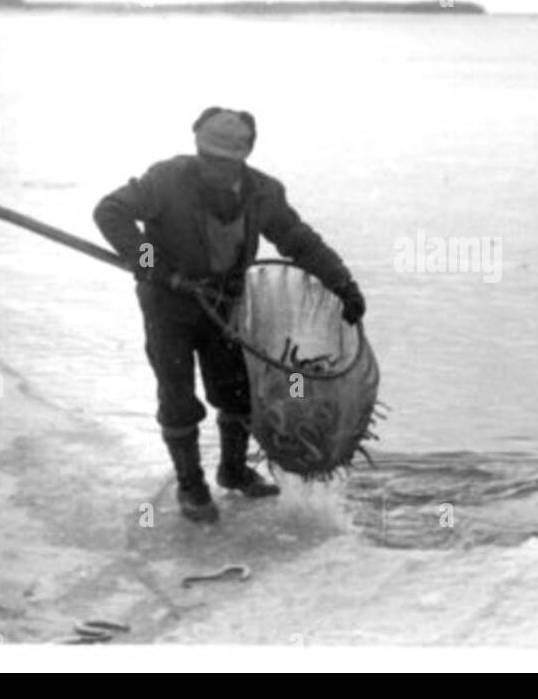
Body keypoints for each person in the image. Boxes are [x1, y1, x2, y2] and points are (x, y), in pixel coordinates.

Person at [93, 107, 365, 522]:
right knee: (177, 395)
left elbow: (298, 240)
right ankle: (191, 485)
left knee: (237, 393)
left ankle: (234, 470)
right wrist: (150, 263)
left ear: (244, 157)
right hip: (169, 305)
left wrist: (342, 283)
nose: (213, 169)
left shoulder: (263, 193)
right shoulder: (167, 180)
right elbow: (110, 211)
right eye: (207, 158)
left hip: (225, 303)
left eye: (223, 162)